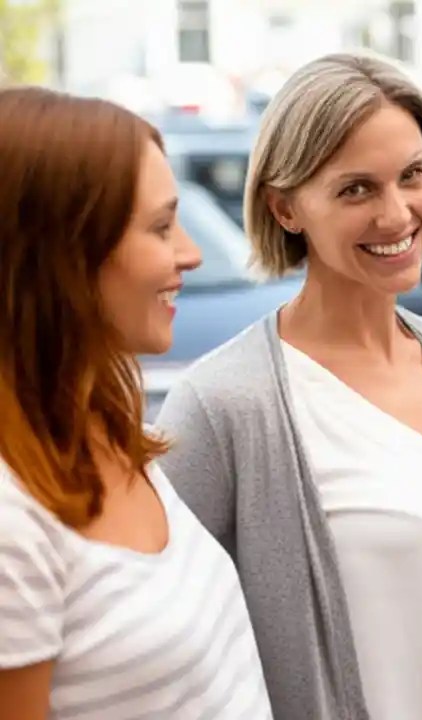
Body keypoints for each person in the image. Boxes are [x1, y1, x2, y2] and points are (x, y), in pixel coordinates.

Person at [154, 52, 422, 720]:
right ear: (285, 208)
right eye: (356, 189)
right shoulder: (227, 403)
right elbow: (172, 648)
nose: (397, 214)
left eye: (412, 175)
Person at [0, 87, 273, 718]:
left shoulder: (111, 425)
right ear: (59, 257)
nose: (191, 252)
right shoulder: (14, 522)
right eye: (159, 226)